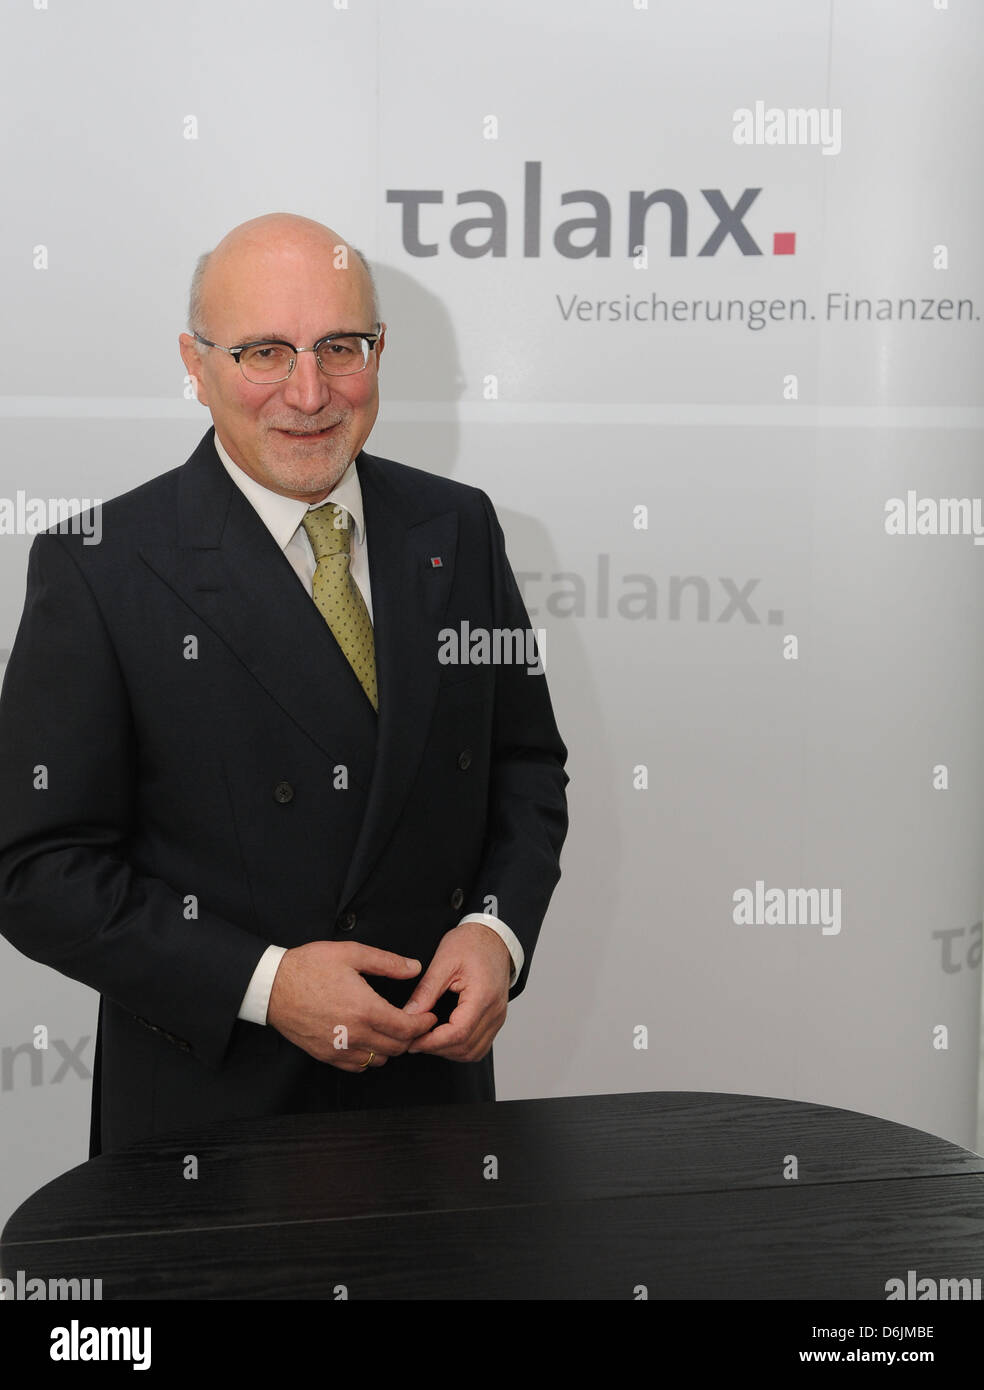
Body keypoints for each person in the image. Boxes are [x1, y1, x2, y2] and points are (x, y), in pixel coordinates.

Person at [0, 213, 569, 1155]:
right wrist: (263, 983)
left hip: (434, 1107)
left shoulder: (458, 529)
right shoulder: (101, 567)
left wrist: (496, 933)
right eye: (265, 352)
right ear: (195, 363)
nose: (310, 393)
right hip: (208, 1127)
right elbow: (34, 868)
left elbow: (524, 766)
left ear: (379, 352)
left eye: (340, 348)